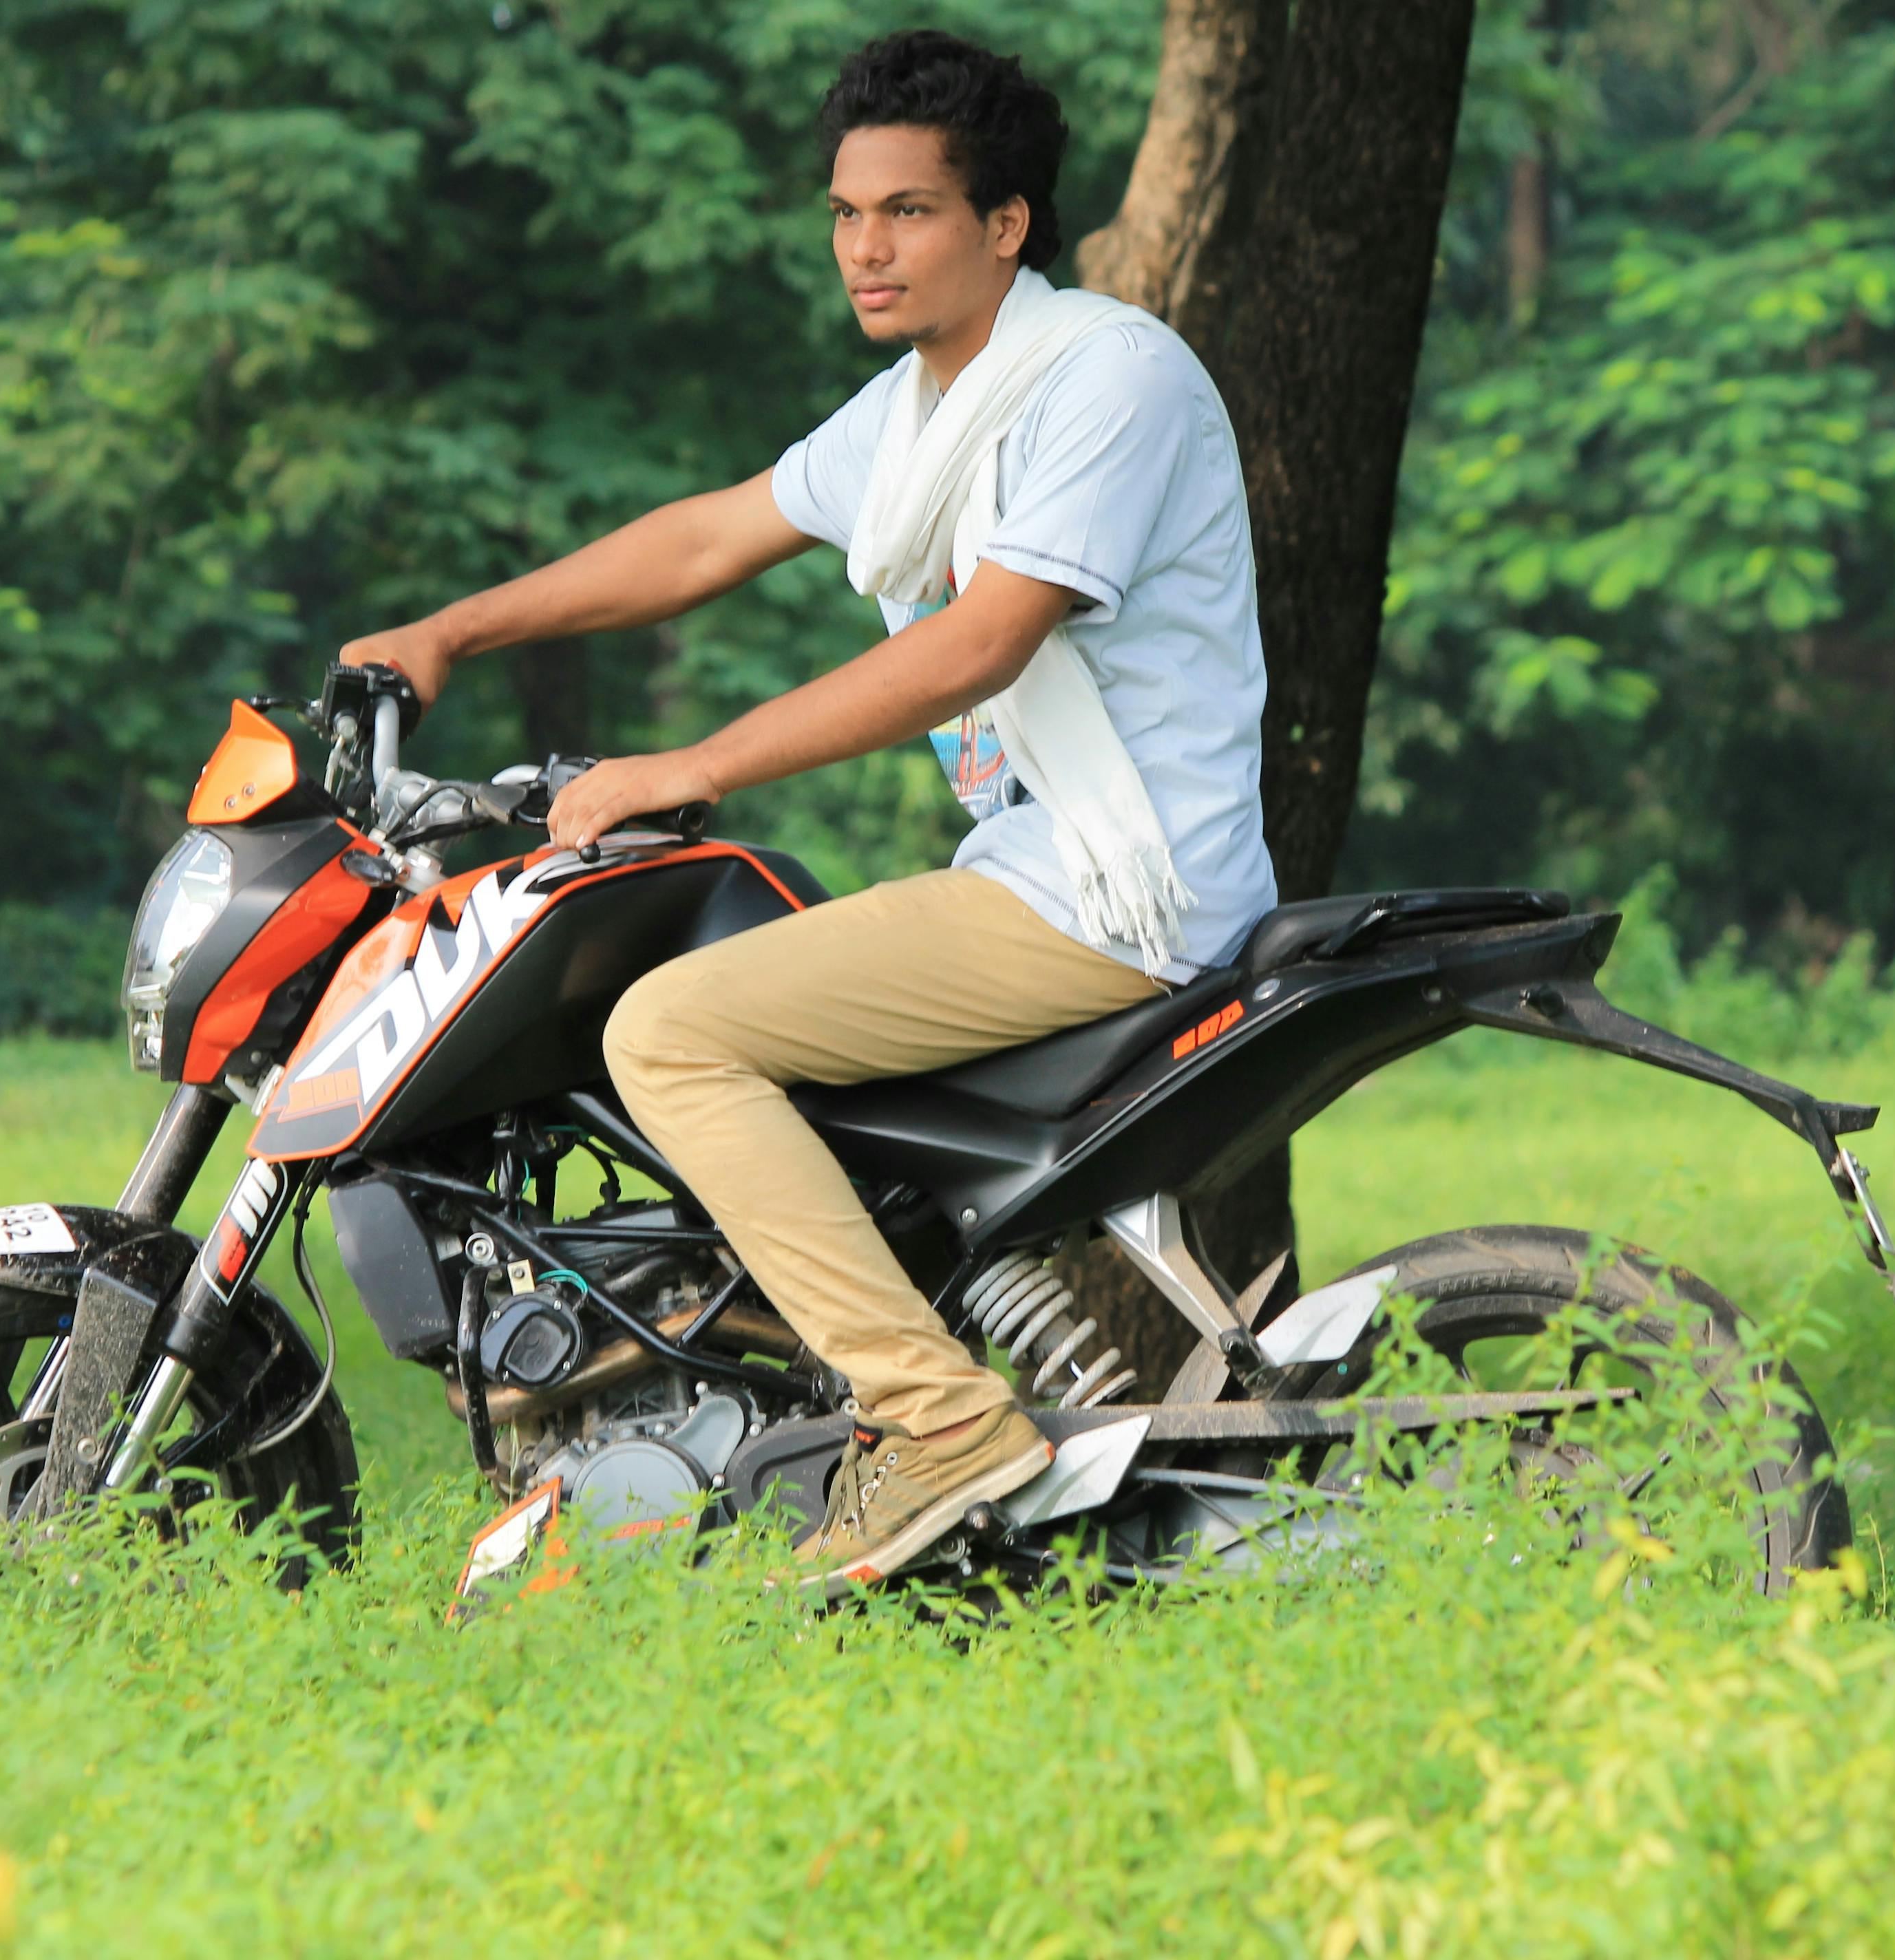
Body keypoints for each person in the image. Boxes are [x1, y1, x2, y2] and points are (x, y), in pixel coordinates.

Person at [336, 30, 1273, 1591]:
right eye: (846, 213)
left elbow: (978, 643)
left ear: (1006, 226)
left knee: (672, 1031)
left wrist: (687, 764)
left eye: (907, 211)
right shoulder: (915, 416)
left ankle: (934, 1422)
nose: (865, 247)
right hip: (1037, 874)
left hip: (1125, 893)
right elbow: (708, 535)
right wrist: (453, 630)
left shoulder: (1106, 378)